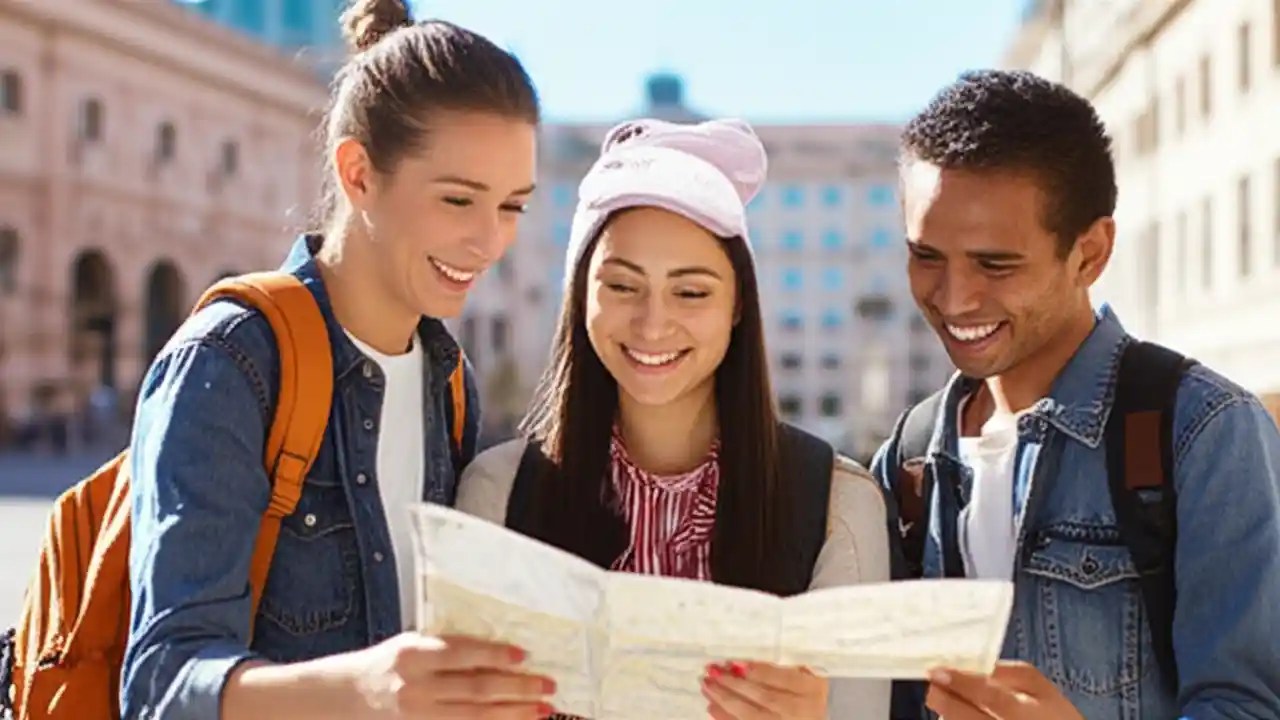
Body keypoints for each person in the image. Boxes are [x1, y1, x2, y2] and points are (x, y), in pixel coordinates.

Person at [121, 2, 557, 718]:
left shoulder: (450, 383)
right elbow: (162, 687)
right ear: (357, 172)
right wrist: (362, 690)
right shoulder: (231, 362)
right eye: (458, 200)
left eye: (512, 207)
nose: (490, 242)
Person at [873, 69, 1280, 719]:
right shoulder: (911, 455)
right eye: (926, 256)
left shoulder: (1205, 431)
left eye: (994, 264)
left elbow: (1250, 706)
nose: (953, 299)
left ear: (1089, 253)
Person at [456, 117, 892, 719]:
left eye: (690, 293)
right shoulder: (497, 496)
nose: (653, 324)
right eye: (622, 286)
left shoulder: (837, 505)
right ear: (582, 294)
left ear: (738, 306)